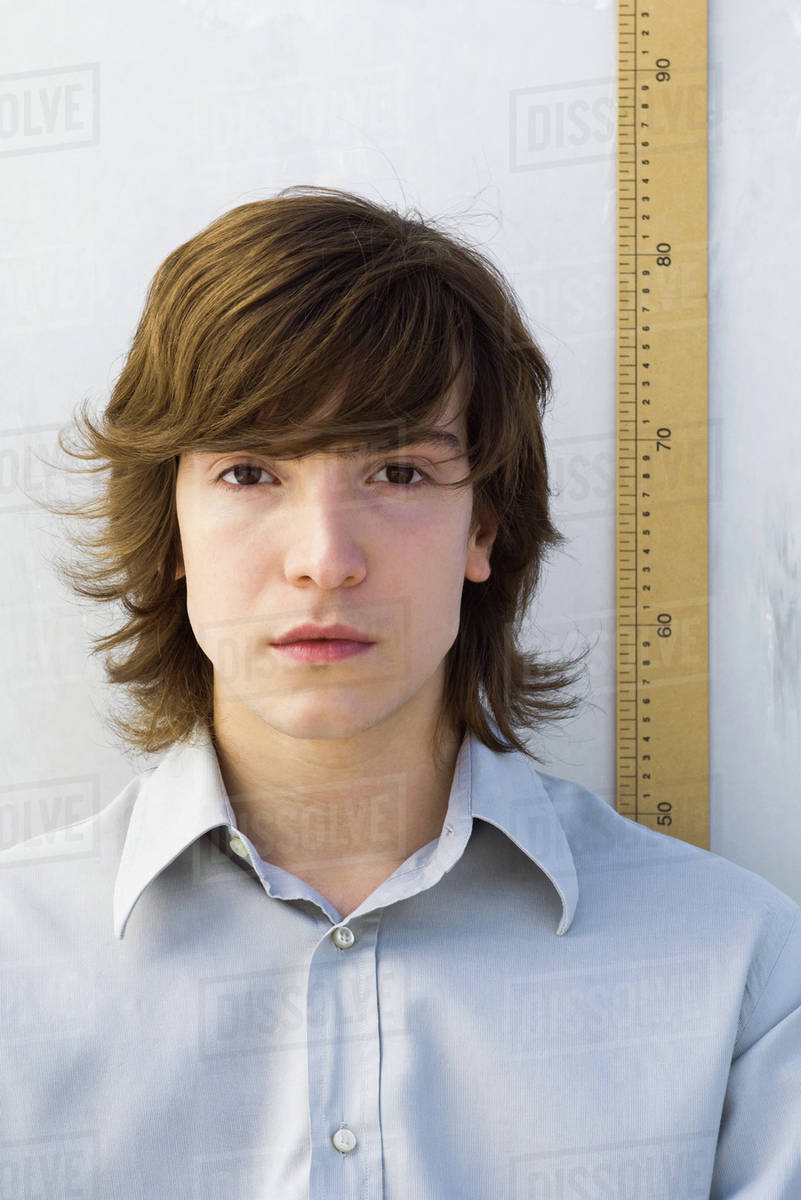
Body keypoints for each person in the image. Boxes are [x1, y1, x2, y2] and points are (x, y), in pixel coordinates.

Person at [2, 185, 799, 1197]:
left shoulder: (737, 969)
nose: (327, 559)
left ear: (484, 528)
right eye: (251, 472)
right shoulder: (16, 965)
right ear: (171, 533)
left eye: (400, 472)